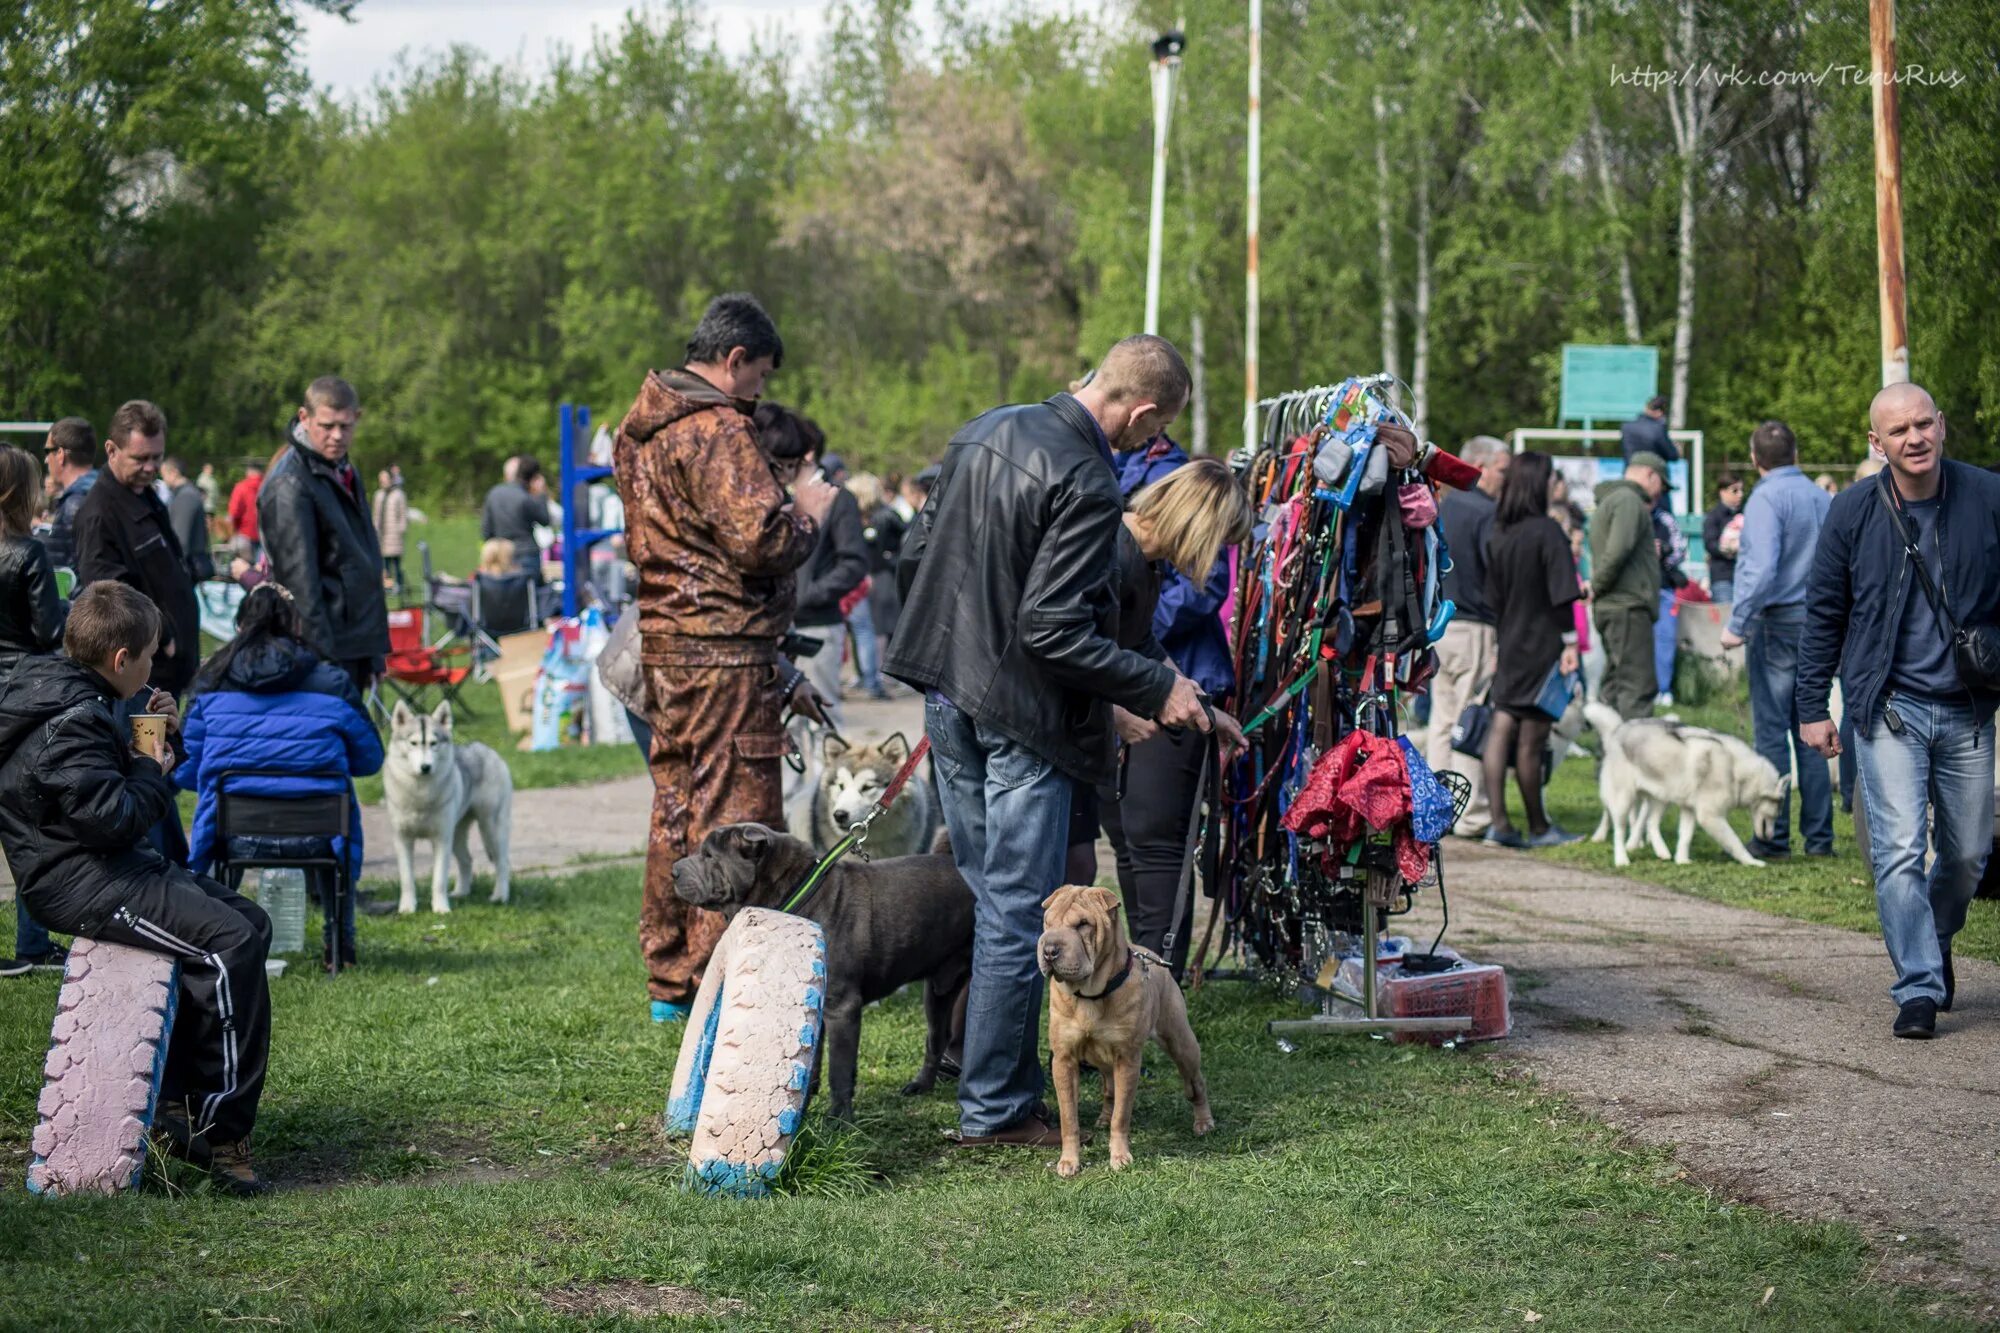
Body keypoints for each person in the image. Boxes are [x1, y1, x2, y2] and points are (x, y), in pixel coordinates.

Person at [885, 334, 1216, 1149]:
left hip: (947, 692)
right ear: (1140, 411)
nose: (1148, 444)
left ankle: (986, 1076)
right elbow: (1051, 627)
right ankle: (996, 1107)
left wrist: (944, 654)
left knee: (988, 894)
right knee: (1014, 909)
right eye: (1153, 429)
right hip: (1017, 714)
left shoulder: (983, 427)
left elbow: (911, 557)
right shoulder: (1089, 478)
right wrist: (1155, 685)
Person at [0, 582, 273, 1192]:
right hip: (82, 881)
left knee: (251, 923)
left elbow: (106, 798)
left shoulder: (74, 691)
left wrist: (154, 738)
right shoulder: (70, 719)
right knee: (229, 944)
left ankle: (177, 1102)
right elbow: (116, 816)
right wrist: (151, 762)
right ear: (121, 659)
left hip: (107, 864)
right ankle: (218, 1133)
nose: (156, 663)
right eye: (150, 654)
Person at [612, 293, 837, 1022]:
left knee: (675, 807)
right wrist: (805, 509)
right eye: (760, 376)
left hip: (667, 641)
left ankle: (671, 978)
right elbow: (760, 540)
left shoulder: (639, 427)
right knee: (737, 821)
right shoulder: (715, 428)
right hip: (727, 651)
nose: (760, 393)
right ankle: (726, 986)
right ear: (733, 359)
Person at [1799, 383, 2000, 1040]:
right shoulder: (1853, 510)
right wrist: (1811, 705)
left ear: (1941, 425)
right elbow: (1823, 610)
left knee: (1968, 853)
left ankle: (1935, 934)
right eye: (1898, 430)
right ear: (1875, 443)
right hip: (1888, 706)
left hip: (1967, 707)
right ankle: (1917, 984)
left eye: (1923, 424)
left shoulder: (1986, 495)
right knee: (1899, 849)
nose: (1914, 438)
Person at [1095, 456, 1252, 974]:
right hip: (1108, 719)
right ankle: (1149, 985)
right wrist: (1114, 708)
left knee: (1146, 852)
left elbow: (1139, 639)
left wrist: (1199, 704)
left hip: (1129, 714)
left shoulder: (1138, 557)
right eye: (1221, 541)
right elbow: (1068, 642)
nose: (1216, 559)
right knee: (1149, 853)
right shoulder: (1113, 552)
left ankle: (1149, 985)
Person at [175, 583, 384, 971]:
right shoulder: (332, 683)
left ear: (239, 627)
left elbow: (186, 768)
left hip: (235, 834)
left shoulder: (211, 682)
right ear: (296, 628)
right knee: (338, 805)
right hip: (318, 834)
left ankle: (213, 945)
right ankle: (341, 948)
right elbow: (370, 758)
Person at [1717, 422, 1833, 860]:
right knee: (1815, 727)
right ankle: (1820, 839)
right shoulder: (1821, 497)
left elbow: (1761, 569)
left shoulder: (1765, 498)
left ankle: (1773, 836)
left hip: (1777, 620)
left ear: (1754, 459)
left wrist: (1738, 622)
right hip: (1819, 621)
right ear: (1796, 452)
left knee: (1770, 732)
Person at [258, 376, 390, 691]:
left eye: (345, 427)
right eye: (327, 426)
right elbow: (299, 586)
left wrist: (373, 651)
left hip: (355, 641)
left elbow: (363, 560)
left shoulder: (342, 469)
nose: (336, 436)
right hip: (323, 650)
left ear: (357, 419)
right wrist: (324, 663)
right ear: (304, 418)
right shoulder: (290, 482)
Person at [1479, 452, 1582, 848]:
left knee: (1501, 725)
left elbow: (1492, 597)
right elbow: (1562, 596)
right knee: (1531, 740)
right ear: (1538, 484)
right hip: (1542, 644)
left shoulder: (1500, 531)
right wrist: (1570, 643)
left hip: (1510, 640)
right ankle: (1539, 826)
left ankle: (1500, 823)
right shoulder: (1547, 532)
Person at [73, 400, 202, 702]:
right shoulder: (99, 513)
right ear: (111, 450)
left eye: (157, 458)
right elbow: (108, 596)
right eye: (140, 458)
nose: (151, 468)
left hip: (170, 670)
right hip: (142, 677)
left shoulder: (145, 495)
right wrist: (165, 634)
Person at [0, 446, 69, 978]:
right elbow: (49, 631)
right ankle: (32, 941)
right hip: (23, 695)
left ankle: (31, 943)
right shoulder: (28, 553)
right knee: (30, 821)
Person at [1428, 436, 1510, 836]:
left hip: (1440, 623)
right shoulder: (1485, 512)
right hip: (1475, 624)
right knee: (1472, 717)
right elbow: (1498, 575)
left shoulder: (1439, 504)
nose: (1504, 478)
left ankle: (1438, 806)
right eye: (1501, 469)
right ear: (1479, 465)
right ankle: (1470, 814)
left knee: (1443, 720)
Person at [1590, 451, 1666, 719]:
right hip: (1628, 608)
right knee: (1637, 689)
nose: (1659, 496)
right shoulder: (1629, 501)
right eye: (1662, 486)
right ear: (1650, 475)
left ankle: (1608, 757)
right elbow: (1619, 549)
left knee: (1614, 687)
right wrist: (1596, 585)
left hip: (1615, 607)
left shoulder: (1611, 500)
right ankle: (1638, 758)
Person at [848, 472, 900, 700]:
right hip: (867, 578)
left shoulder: (873, 518)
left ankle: (869, 677)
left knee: (866, 630)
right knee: (866, 630)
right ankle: (870, 679)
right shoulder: (877, 517)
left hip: (866, 578)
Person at [39, 416, 97, 574]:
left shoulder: (75, 503)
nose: (45, 460)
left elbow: (67, 573)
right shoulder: (106, 490)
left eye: (47, 451)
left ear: (60, 454)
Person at [480, 455, 551, 583]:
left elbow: (486, 531)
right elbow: (545, 520)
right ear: (534, 478)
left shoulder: (493, 494)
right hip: (527, 555)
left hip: (500, 557)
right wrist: (541, 494)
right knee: (530, 597)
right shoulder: (526, 498)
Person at [160, 457, 213, 583]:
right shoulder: (186, 494)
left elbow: (180, 541)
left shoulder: (186, 497)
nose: (163, 480)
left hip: (191, 570)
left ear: (174, 472)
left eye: (164, 475)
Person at [1704, 471, 1744, 604]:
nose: (1740, 494)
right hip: (1722, 576)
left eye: (1741, 490)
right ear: (1723, 492)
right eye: (1735, 490)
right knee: (1726, 617)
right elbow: (1710, 544)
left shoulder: (1745, 514)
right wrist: (1728, 548)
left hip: (1744, 576)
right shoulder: (1713, 516)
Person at [373, 468, 409, 595]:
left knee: (396, 563)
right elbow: (376, 514)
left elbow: (403, 514)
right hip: (382, 534)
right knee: (385, 564)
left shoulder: (398, 495)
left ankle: (399, 585)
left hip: (394, 534)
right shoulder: (379, 495)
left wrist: (401, 529)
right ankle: (387, 585)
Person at [1619, 395, 1677, 468]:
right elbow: (1672, 455)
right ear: (1659, 412)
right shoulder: (1658, 428)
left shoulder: (1626, 427)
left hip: (1631, 473)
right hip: (1653, 475)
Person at [228, 462, 263, 562]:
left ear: (249, 472)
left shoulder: (241, 487)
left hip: (245, 533)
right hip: (264, 533)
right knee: (261, 569)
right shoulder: (268, 485)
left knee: (245, 570)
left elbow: (234, 512)